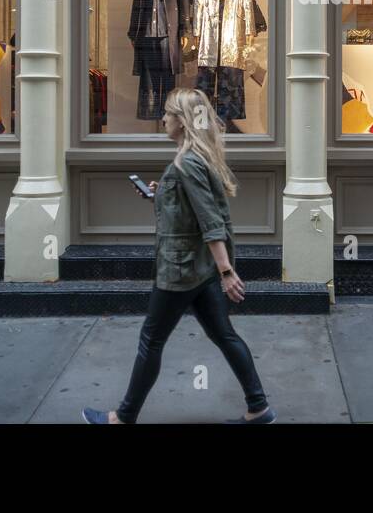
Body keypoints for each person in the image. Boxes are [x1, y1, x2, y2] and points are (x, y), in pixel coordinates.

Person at [83, 88, 276, 424]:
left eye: (169, 113)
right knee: (224, 335)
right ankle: (258, 407)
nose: (163, 119)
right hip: (198, 270)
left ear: (184, 122)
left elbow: (210, 220)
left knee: (151, 339)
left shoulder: (187, 162)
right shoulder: (195, 160)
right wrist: (161, 193)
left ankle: (122, 417)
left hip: (181, 269)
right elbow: (193, 208)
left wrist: (227, 272)